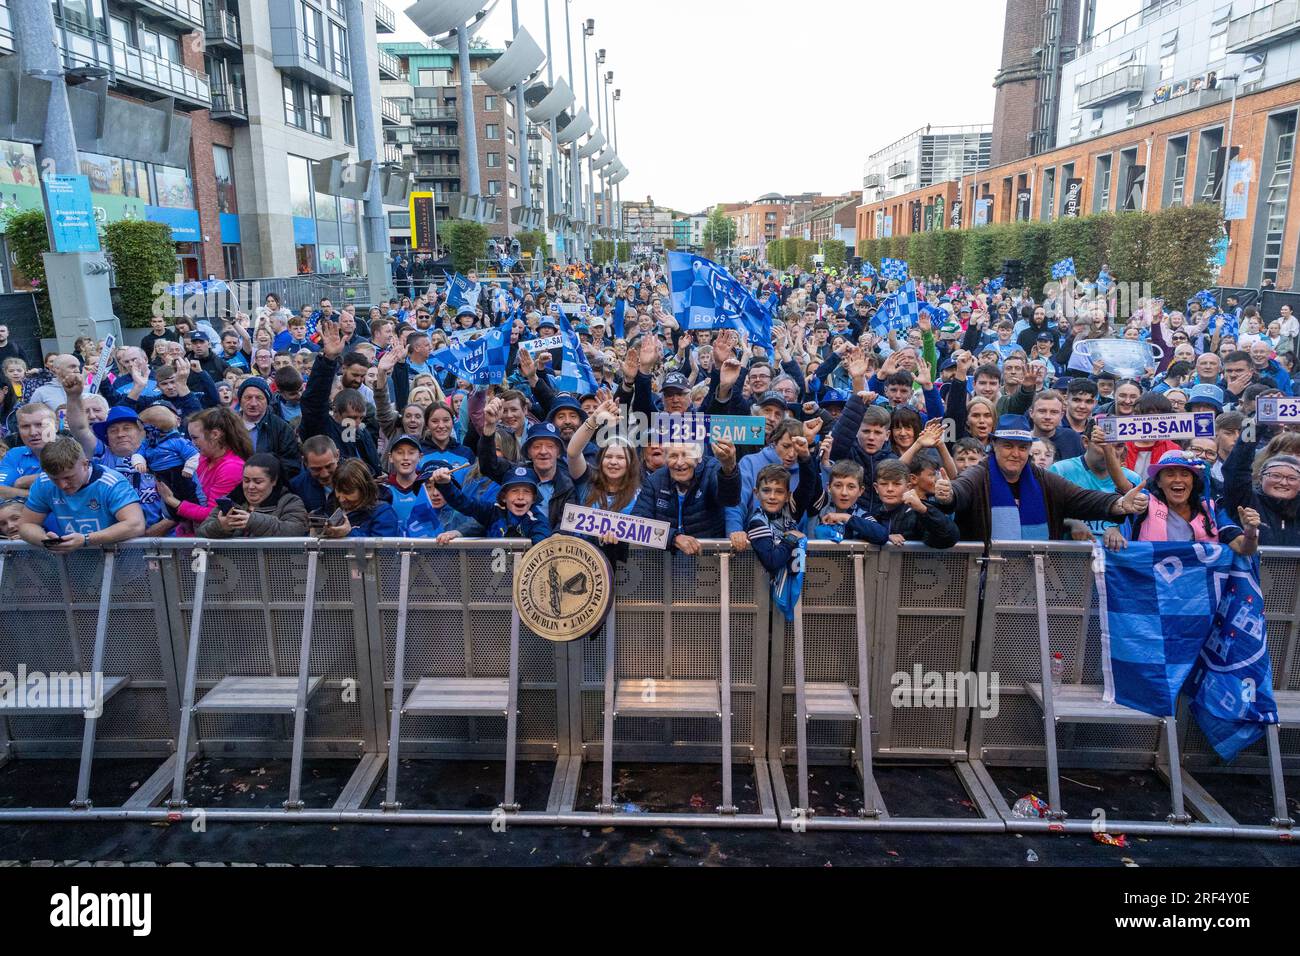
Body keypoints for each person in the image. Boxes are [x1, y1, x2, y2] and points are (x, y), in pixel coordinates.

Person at [936, 415, 1149, 543]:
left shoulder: (1043, 479)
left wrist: (1119, 503)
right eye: (1008, 446)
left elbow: (1081, 498)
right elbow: (961, 489)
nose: (1015, 454)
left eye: (1022, 447)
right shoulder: (980, 473)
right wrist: (948, 495)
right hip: (983, 576)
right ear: (994, 446)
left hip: (1034, 576)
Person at [1106, 451, 1260, 556]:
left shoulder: (1211, 509)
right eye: (1170, 474)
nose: (1178, 480)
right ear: (1158, 482)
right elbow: (1119, 523)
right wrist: (1112, 531)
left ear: (1193, 481)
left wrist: (1250, 531)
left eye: (1185, 474)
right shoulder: (1143, 503)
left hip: (1198, 594)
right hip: (1149, 591)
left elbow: (1243, 548)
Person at [16, 437, 145, 551]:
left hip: (122, 564)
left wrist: (86, 540)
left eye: (69, 477)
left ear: (85, 464)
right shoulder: (43, 482)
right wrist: (46, 541)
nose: (62, 485)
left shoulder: (111, 483)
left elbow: (136, 525)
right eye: (55, 479)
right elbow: (26, 525)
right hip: (77, 566)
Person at [631, 440, 740, 555]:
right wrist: (673, 538)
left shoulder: (711, 470)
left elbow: (729, 500)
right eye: (673, 456)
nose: (679, 462)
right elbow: (637, 525)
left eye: (686, 455)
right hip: (664, 565)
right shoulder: (655, 481)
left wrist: (729, 468)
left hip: (706, 563)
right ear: (666, 460)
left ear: (698, 458)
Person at [156, 406, 252, 535]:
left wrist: (173, 502)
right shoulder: (202, 459)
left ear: (215, 435)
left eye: (195, 438)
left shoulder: (232, 468)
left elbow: (213, 515)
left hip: (213, 545)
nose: (191, 443)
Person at [433, 463, 551, 545]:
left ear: (534, 498)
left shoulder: (537, 521)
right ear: (504, 497)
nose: (520, 497)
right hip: (490, 579)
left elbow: (542, 548)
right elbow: (465, 504)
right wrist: (445, 485)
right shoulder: (493, 511)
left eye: (526, 492)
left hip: (522, 579)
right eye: (514, 491)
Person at [196, 454, 309, 539]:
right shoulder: (230, 501)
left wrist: (253, 521)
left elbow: (296, 531)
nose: (250, 486)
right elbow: (201, 532)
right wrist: (221, 526)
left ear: (274, 481)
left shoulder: (290, 502)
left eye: (258, 482)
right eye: (246, 480)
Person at [319, 458, 400, 538]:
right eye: (338, 491)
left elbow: (383, 549)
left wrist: (348, 533)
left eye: (348, 492)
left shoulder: (383, 513)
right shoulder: (331, 507)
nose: (341, 499)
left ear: (364, 489)